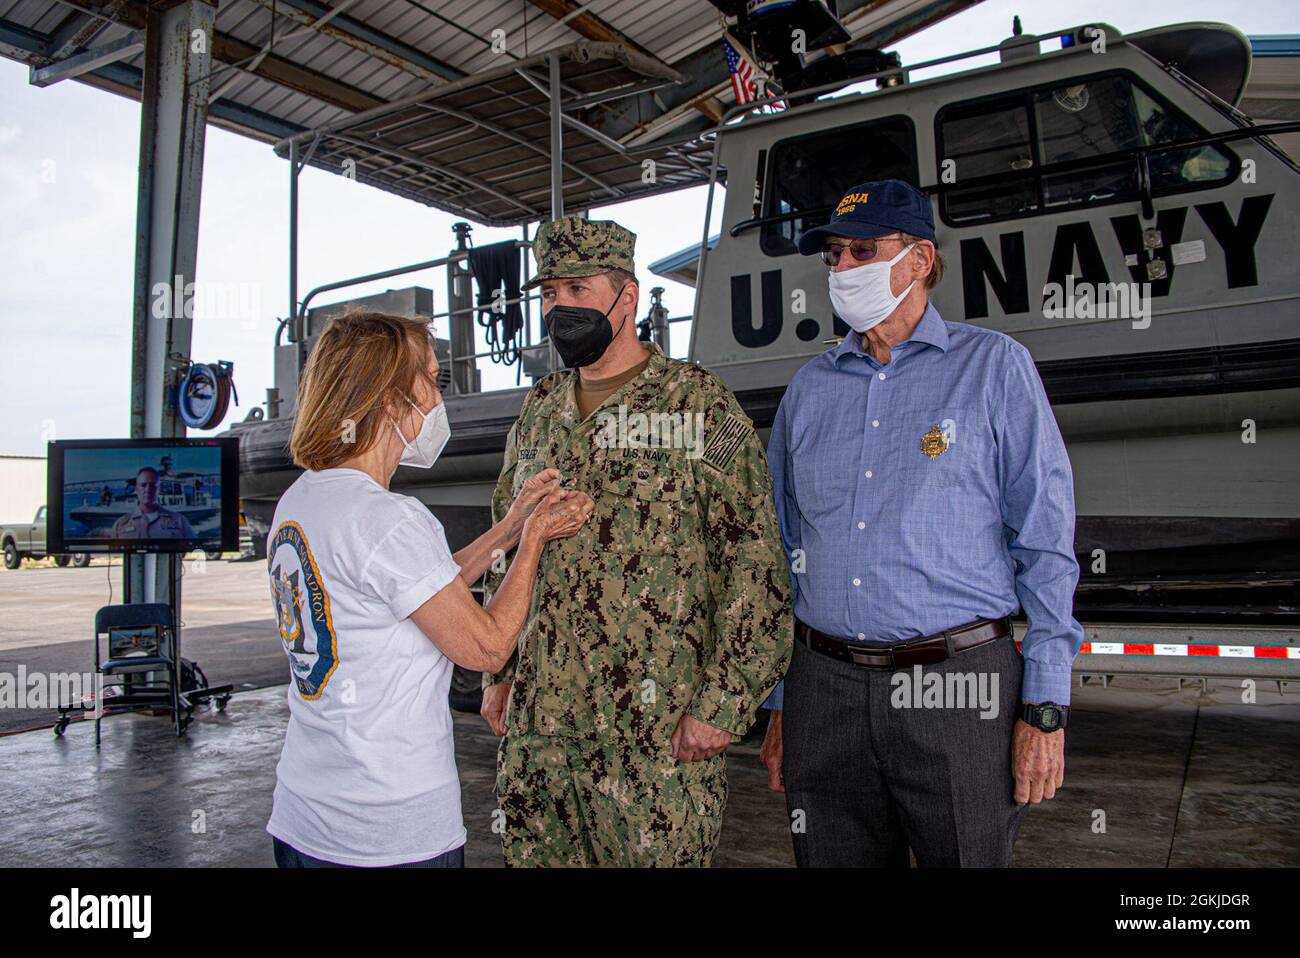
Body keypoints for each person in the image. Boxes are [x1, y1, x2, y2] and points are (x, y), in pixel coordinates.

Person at [759, 179, 1085, 867]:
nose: (842, 269)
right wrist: (786, 702)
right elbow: (781, 555)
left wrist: (1045, 707)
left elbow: (1047, 544)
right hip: (825, 689)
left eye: (862, 250)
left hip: (959, 687)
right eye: (834, 256)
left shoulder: (994, 369)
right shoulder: (808, 392)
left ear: (919, 260)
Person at [481, 216, 792, 867]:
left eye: (577, 288)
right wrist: (498, 672)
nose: (559, 307)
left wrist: (723, 702)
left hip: (653, 735)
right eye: (548, 292)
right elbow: (504, 545)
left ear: (626, 298)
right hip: (542, 734)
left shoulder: (695, 405)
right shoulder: (540, 409)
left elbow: (754, 566)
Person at [264, 311, 593, 868]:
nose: (440, 399)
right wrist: (536, 540)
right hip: (387, 832)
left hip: (304, 815)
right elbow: (486, 647)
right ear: (390, 399)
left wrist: (510, 527)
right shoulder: (389, 518)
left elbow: (419, 588)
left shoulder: (302, 500)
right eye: (433, 381)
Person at [111, 467, 196, 539]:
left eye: (152, 486)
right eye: (143, 485)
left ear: (159, 489)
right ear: (136, 489)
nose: (147, 490)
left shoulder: (180, 521)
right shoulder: (120, 524)